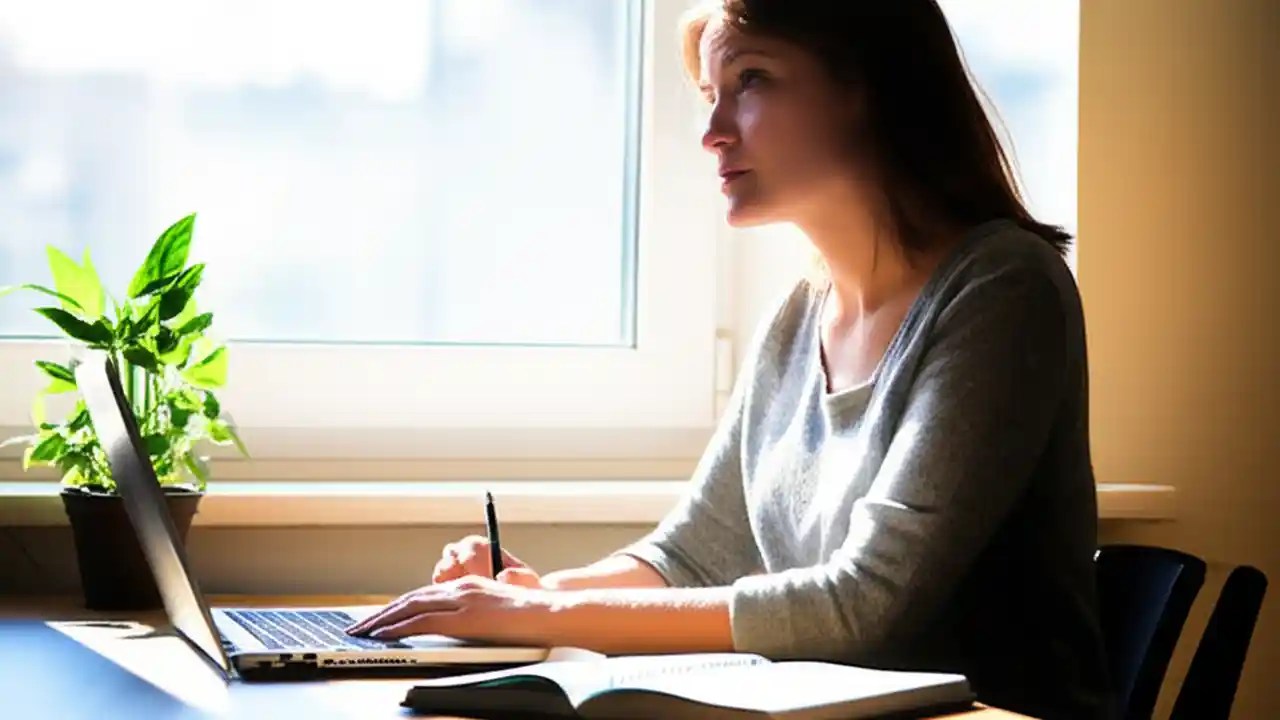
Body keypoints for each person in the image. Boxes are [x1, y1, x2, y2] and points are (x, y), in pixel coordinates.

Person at [348, 2, 1114, 717]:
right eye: (709, 92)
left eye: (751, 81)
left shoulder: (1003, 289)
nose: (711, 129)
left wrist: (544, 612)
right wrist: (518, 596)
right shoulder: (798, 315)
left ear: (871, 86)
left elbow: (865, 605)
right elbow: (688, 557)